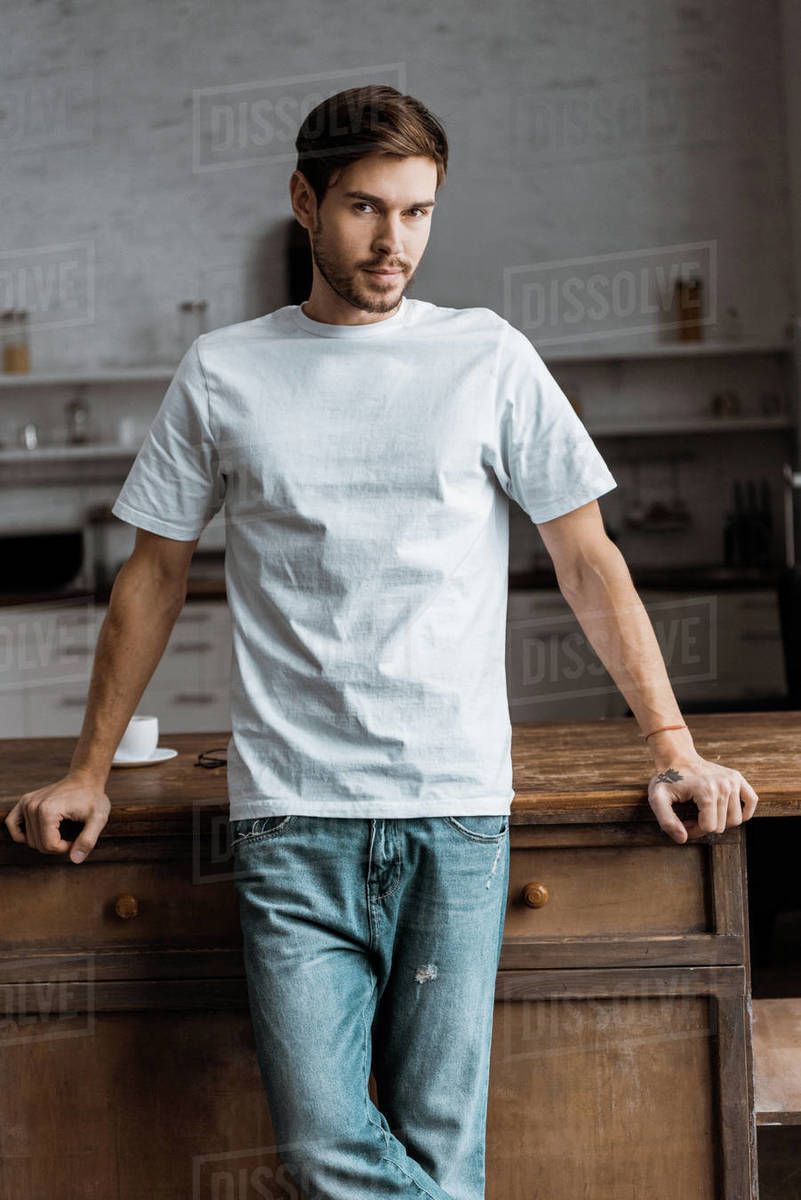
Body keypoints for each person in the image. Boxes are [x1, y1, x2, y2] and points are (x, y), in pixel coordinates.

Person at [6, 84, 759, 1200]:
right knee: (320, 1149)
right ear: (306, 200)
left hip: (455, 809)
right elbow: (152, 576)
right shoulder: (224, 371)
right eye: (365, 208)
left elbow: (588, 557)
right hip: (291, 815)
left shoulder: (487, 357)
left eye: (416, 213)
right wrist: (86, 769)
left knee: (439, 1141)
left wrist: (673, 743)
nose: (392, 241)